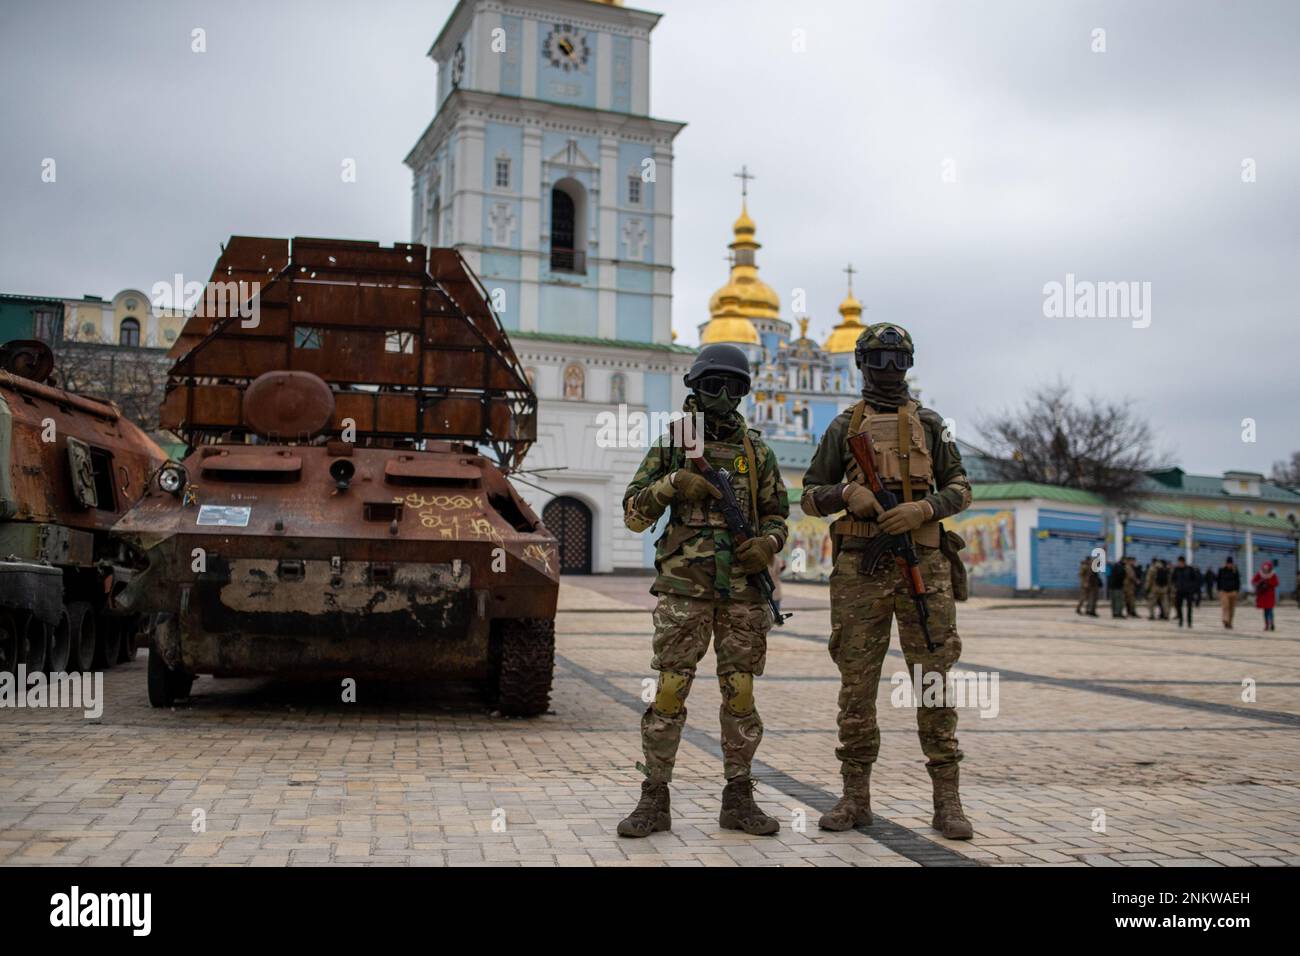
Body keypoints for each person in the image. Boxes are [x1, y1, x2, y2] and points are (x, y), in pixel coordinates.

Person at [800, 323, 975, 840]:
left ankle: (948, 802)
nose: (888, 370)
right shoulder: (842, 428)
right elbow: (809, 494)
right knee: (857, 685)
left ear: (909, 363)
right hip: (860, 570)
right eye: (878, 359)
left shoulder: (932, 424)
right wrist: (845, 496)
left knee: (933, 680)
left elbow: (962, 488)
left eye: (897, 359)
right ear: (861, 363)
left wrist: (923, 507)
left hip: (923, 568)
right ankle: (855, 797)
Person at [618, 343, 789, 838]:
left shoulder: (758, 452)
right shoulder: (675, 443)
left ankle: (738, 797)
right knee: (670, 690)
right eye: (712, 384)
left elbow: (779, 511)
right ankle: (654, 798)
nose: (721, 394)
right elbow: (633, 515)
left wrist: (769, 543)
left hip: (741, 593)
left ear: (743, 391)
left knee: (741, 694)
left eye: (731, 386)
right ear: (694, 386)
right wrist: (673, 484)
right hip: (684, 590)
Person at [1171, 556, 1199, 627]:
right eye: (1178, 562)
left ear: (1183, 562)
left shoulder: (1190, 569)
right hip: (1179, 590)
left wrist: (1193, 589)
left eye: (1180, 562)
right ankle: (1181, 620)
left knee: (1189, 607)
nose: (1179, 563)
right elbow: (1173, 579)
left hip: (1188, 591)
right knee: (1178, 606)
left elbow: (1195, 579)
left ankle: (1189, 622)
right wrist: (1175, 586)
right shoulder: (1176, 569)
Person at [1253, 561, 1279, 631]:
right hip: (1263, 595)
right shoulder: (1260, 573)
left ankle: (1272, 624)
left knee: (1270, 610)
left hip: (1270, 595)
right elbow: (1253, 581)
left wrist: (1269, 583)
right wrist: (1259, 583)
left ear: (1270, 567)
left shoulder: (1273, 574)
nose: (1266, 569)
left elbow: (1276, 583)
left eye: (1267, 567)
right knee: (1265, 611)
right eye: (1265, 567)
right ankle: (1266, 625)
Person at [1217, 557, 1242, 629]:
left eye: (1230, 563)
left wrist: (1237, 591)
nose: (1229, 565)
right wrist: (1219, 589)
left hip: (1233, 592)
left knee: (1232, 608)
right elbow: (1218, 580)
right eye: (1228, 563)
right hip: (1224, 591)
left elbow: (1238, 581)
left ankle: (1229, 623)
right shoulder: (1221, 570)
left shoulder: (1235, 570)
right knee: (1225, 606)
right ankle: (1225, 619)